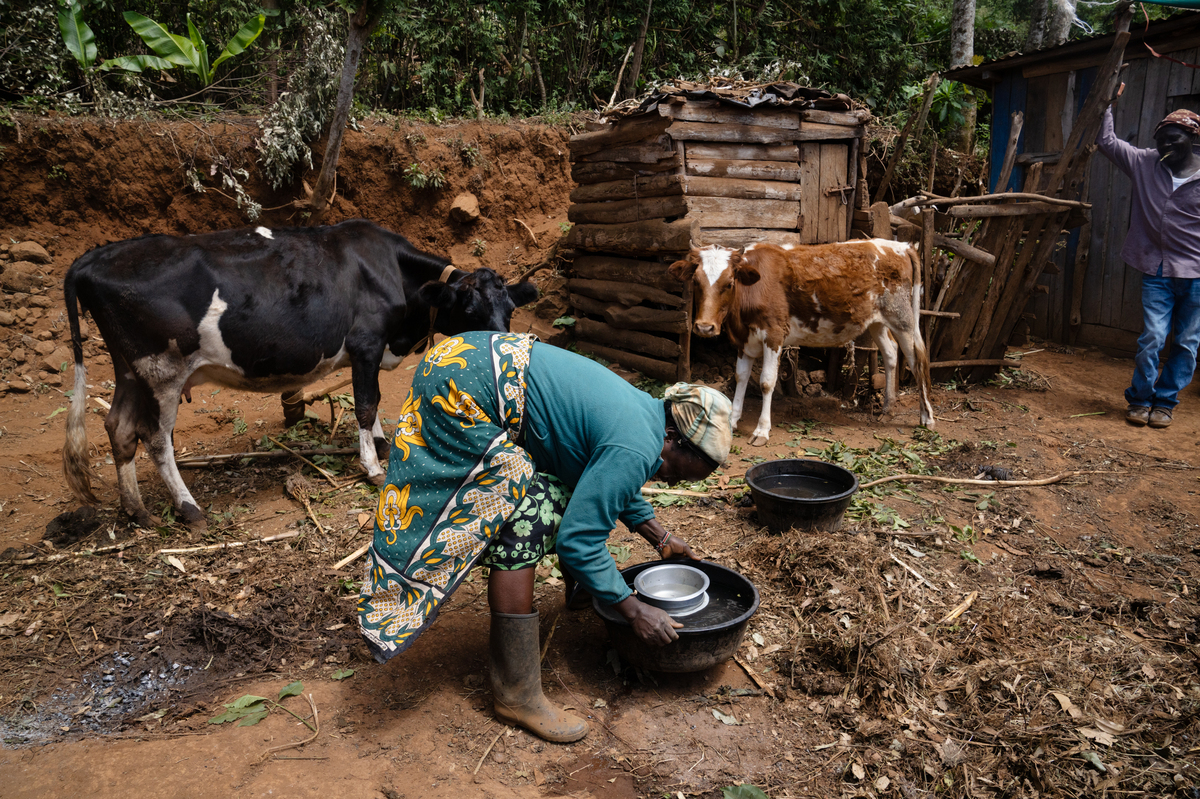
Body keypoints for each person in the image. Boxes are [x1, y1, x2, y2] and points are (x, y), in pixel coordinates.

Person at [357, 330, 732, 742]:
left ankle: (584, 590)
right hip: (462, 388)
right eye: (671, 470)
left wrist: (662, 539)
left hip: (466, 358)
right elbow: (579, 537)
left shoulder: (643, 414)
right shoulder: (638, 446)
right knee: (529, 515)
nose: (662, 476)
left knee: (566, 493)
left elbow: (607, 480)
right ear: (673, 438)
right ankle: (515, 694)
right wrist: (633, 609)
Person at [1097, 88, 1200, 429]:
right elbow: (1108, 143)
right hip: (1155, 269)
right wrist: (1108, 103)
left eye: (1173, 140)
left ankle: (1166, 401)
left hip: (1195, 274)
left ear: (1191, 139)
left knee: (1186, 343)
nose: (1166, 147)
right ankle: (1140, 399)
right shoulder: (1145, 163)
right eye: (1161, 141)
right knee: (1153, 337)